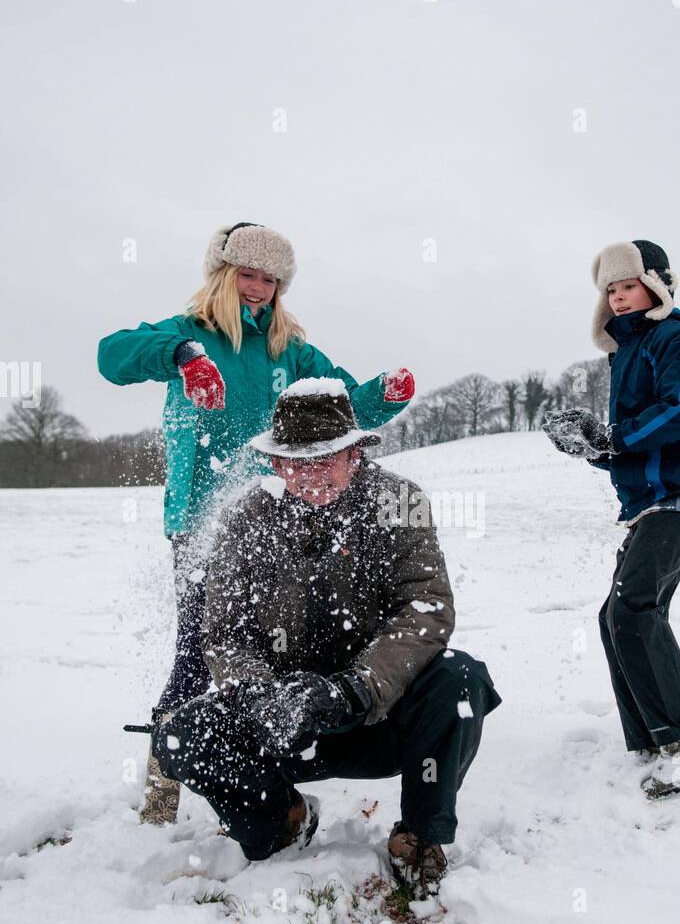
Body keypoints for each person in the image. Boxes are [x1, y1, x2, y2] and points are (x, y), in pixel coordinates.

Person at [97, 221, 415, 824]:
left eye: (271, 279)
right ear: (223, 273)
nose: (260, 288)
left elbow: (341, 404)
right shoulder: (189, 333)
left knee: (275, 642)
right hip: (201, 523)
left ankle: (278, 762)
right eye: (249, 274)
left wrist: (384, 394)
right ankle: (163, 784)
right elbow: (110, 356)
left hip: (275, 519)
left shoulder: (289, 350)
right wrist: (181, 357)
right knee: (199, 649)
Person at [152, 379, 501, 895]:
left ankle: (419, 836)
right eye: (296, 461)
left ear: (354, 452)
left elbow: (426, 606)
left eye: (327, 457)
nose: (311, 473)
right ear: (274, 462)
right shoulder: (246, 518)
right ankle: (282, 818)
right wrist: (262, 697)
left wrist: (357, 687)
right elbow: (224, 635)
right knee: (181, 735)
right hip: (286, 727)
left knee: (461, 678)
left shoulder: (398, 500)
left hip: (379, 714)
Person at [543, 240, 680, 798]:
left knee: (634, 607)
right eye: (611, 290)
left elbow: (677, 412)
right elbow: (633, 448)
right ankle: (652, 735)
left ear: (658, 285)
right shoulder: (624, 355)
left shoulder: (679, 339)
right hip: (650, 506)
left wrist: (612, 437)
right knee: (615, 617)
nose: (619, 297)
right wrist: (592, 449)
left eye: (628, 285)